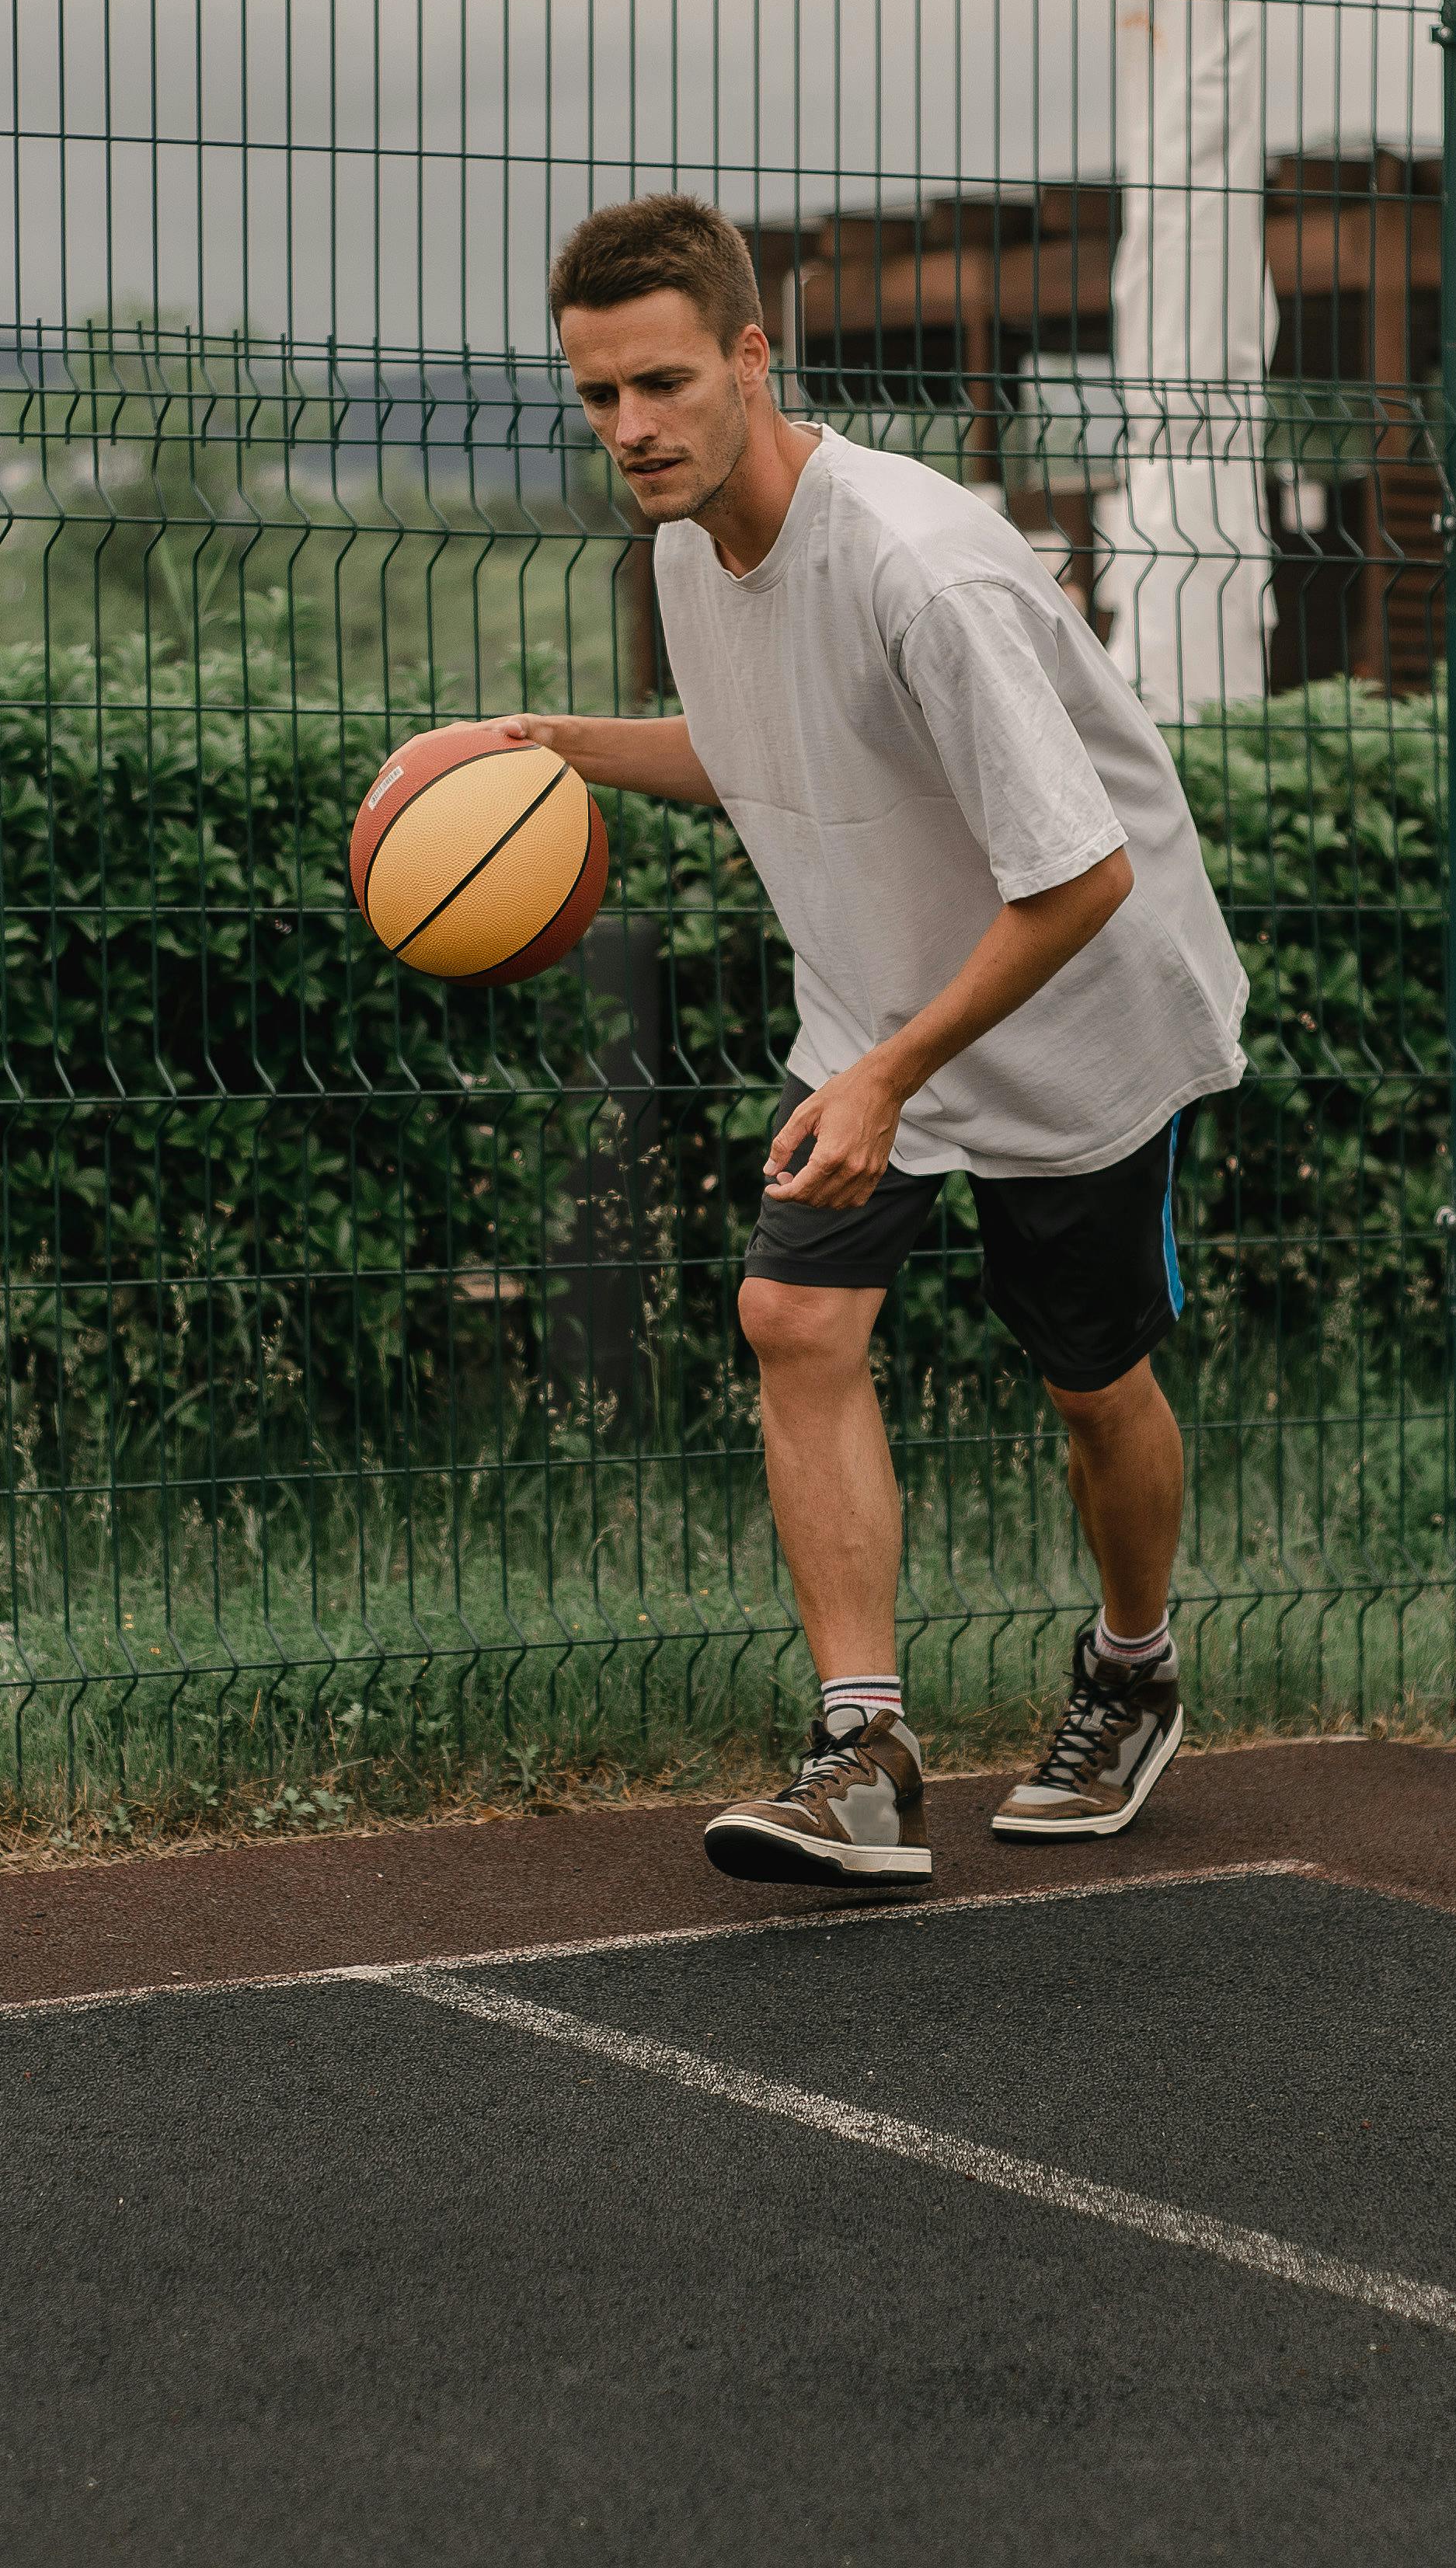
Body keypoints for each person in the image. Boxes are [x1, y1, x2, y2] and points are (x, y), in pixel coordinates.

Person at [515, 194, 1249, 1886]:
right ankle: (861, 1753)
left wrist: (890, 1073)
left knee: (1087, 1381)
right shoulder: (692, 550)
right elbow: (756, 736)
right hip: (876, 1013)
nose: (630, 428)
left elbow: (1077, 874)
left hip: (1079, 1011)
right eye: (597, 396)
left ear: (750, 357)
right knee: (790, 1314)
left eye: (663, 384)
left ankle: (1130, 1675)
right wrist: (554, 743)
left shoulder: (917, 567)